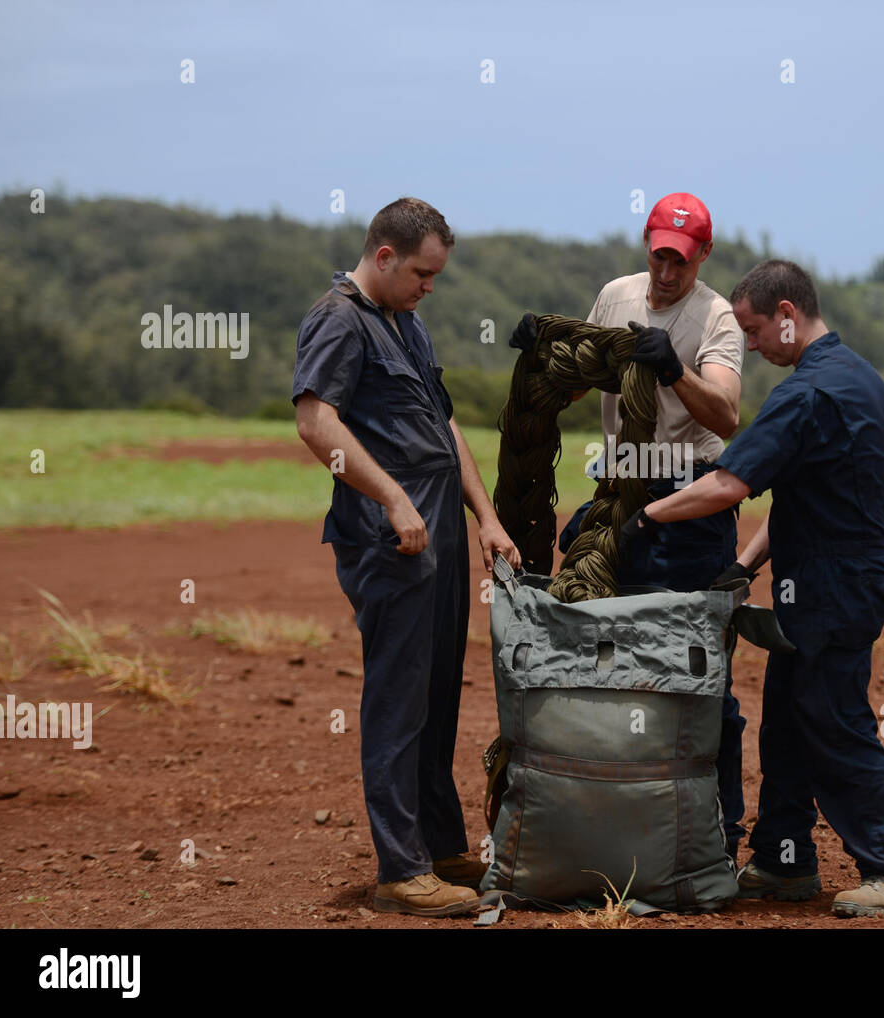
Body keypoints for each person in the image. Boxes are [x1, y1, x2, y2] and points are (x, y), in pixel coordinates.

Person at [617, 259, 884, 918]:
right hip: (830, 579)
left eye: (754, 330)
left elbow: (730, 483)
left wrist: (647, 517)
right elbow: (799, 495)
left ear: (787, 315)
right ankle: (785, 862)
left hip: (833, 588)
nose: (751, 345)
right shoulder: (859, 377)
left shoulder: (807, 393)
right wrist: (746, 564)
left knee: (834, 722)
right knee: (786, 721)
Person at [292, 197, 521, 918]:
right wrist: (392, 498)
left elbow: (444, 425)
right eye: (422, 273)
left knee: (437, 692)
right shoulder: (338, 319)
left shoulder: (407, 323)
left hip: (440, 527)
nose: (429, 286)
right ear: (384, 256)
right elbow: (315, 422)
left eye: (436, 276)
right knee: (398, 697)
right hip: (391, 533)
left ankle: (439, 847)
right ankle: (400, 870)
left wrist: (485, 517)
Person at [512, 192, 750, 862]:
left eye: (681, 261)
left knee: (696, 671)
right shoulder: (616, 296)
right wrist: (541, 351)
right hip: (619, 493)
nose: (667, 272)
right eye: (659, 257)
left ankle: (717, 837)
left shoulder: (717, 318)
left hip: (689, 504)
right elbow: (581, 380)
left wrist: (674, 370)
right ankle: (622, 825)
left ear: (703, 256)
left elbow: (727, 416)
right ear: (647, 244)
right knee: (603, 657)